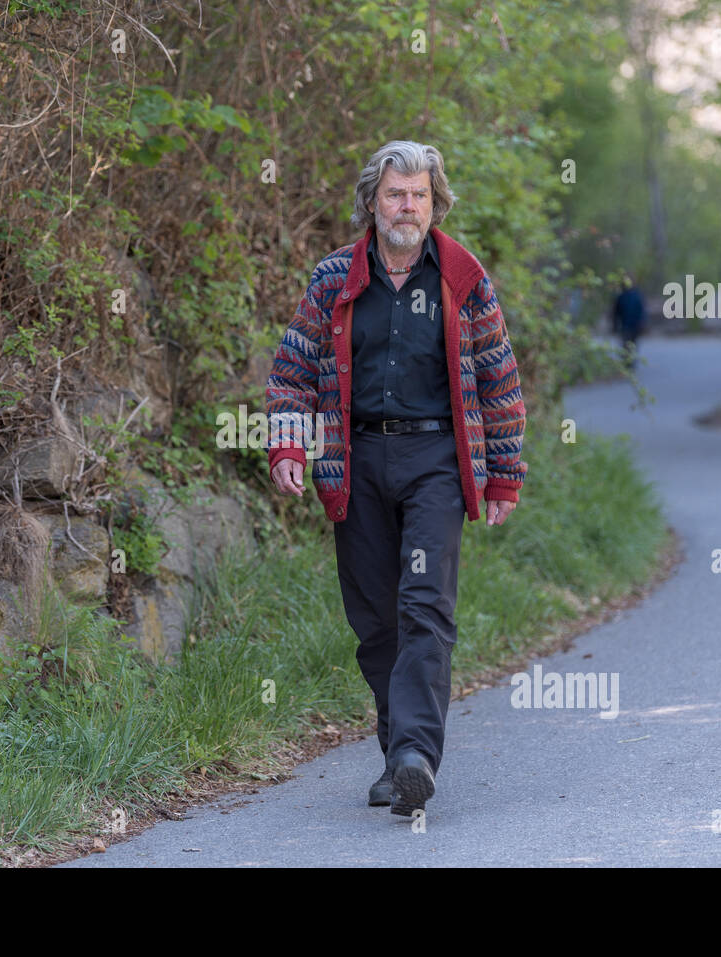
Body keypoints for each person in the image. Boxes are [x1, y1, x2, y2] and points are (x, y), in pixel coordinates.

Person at [264, 140, 528, 817]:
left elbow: (499, 380)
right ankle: (395, 757)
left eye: (417, 194)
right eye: (393, 194)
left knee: (424, 606)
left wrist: (504, 476)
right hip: (355, 460)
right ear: (372, 202)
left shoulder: (464, 278)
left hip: (436, 460)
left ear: (435, 202)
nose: (405, 205)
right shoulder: (335, 279)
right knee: (376, 617)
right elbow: (293, 371)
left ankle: (415, 753)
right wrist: (289, 447)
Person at [611, 274, 645, 368]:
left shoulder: (637, 295)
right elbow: (616, 312)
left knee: (633, 344)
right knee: (625, 343)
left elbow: (642, 310)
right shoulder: (621, 296)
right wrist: (614, 324)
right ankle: (626, 362)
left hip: (635, 325)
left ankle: (631, 362)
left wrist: (642, 322)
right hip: (625, 325)